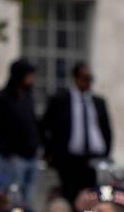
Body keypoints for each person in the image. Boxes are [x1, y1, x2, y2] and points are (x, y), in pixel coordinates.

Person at [40, 62, 113, 203]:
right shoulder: (61, 100)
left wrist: (106, 152)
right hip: (69, 159)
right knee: (70, 195)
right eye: (84, 78)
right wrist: (49, 152)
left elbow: (106, 130)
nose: (88, 82)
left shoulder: (98, 102)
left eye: (90, 79)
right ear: (76, 78)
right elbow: (44, 126)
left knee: (93, 196)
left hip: (94, 158)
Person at [0, 58, 41, 206]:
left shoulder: (28, 98)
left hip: (31, 156)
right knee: (13, 195)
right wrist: (7, 152)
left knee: (28, 197)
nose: (32, 80)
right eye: (29, 76)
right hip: (13, 159)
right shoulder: (0, 99)